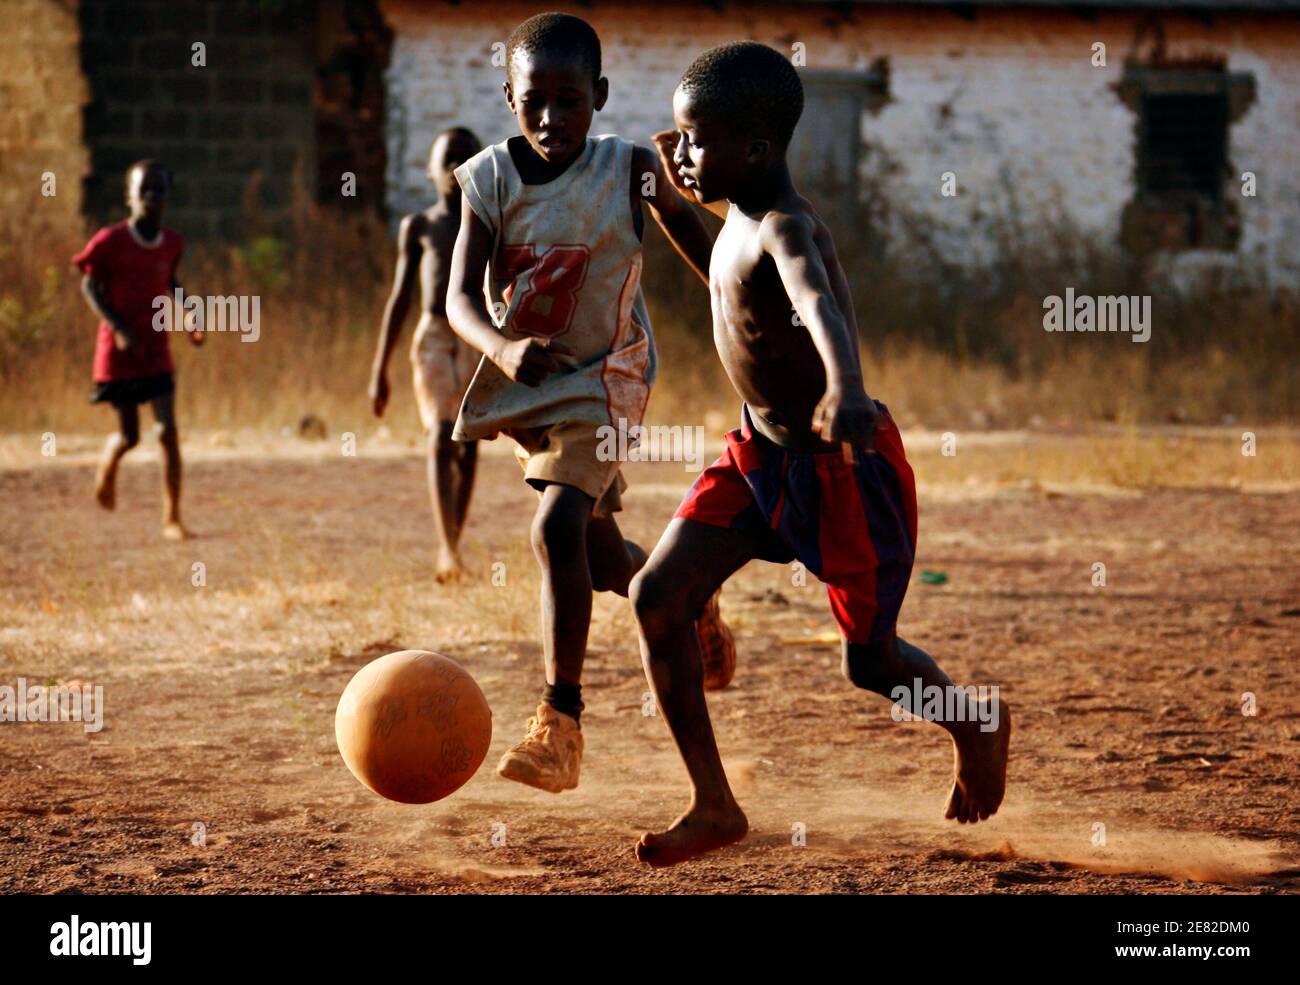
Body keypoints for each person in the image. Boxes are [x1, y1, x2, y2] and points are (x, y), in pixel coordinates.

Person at [630, 42, 1011, 865]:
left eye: (697, 139)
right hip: (758, 460)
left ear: (759, 149)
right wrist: (668, 206)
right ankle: (714, 803)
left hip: (842, 468)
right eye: (681, 136)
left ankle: (973, 717)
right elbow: (728, 288)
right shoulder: (738, 216)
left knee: (871, 665)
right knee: (658, 593)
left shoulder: (788, 227)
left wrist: (846, 386)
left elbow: (814, 300)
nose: (682, 151)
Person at [445, 12, 734, 794]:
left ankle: (560, 722)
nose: (551, 118)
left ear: (599, 96)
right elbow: (459, 299)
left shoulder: (630, 169)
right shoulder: (487, 182)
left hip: (609, 378)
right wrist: (500, 347)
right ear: (510, 99)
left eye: (569, 100)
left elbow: (701, 238)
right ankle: (687, 595)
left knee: (555, 525)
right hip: (533, 384)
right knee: (603, 559)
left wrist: (744, 303)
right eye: (534, 101)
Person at [370, 127, 484, 581]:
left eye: (465, 158)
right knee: (439, 436)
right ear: (430, 170)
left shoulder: (491, 221)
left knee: (470, 441)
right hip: (434, 336)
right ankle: (447, 547)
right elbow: (399, 298)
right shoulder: (419, 227)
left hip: (477, 335)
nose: (455, 169)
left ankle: (455, 536)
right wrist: (380, 368)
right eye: (447, 160)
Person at [74, 159, 202, 541]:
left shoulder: (173, 243)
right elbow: (89, 287)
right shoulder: (110, 242)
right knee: (130, 436)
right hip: (118, 353)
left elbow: (171, 283)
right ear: (129, 196)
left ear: (168, 197)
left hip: (156, 349)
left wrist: (192, 318)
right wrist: (118, 327)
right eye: (143, 189)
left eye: (159, 190)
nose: (151, 197)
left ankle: (173, 517)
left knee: (167, 430)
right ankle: (109, 464)